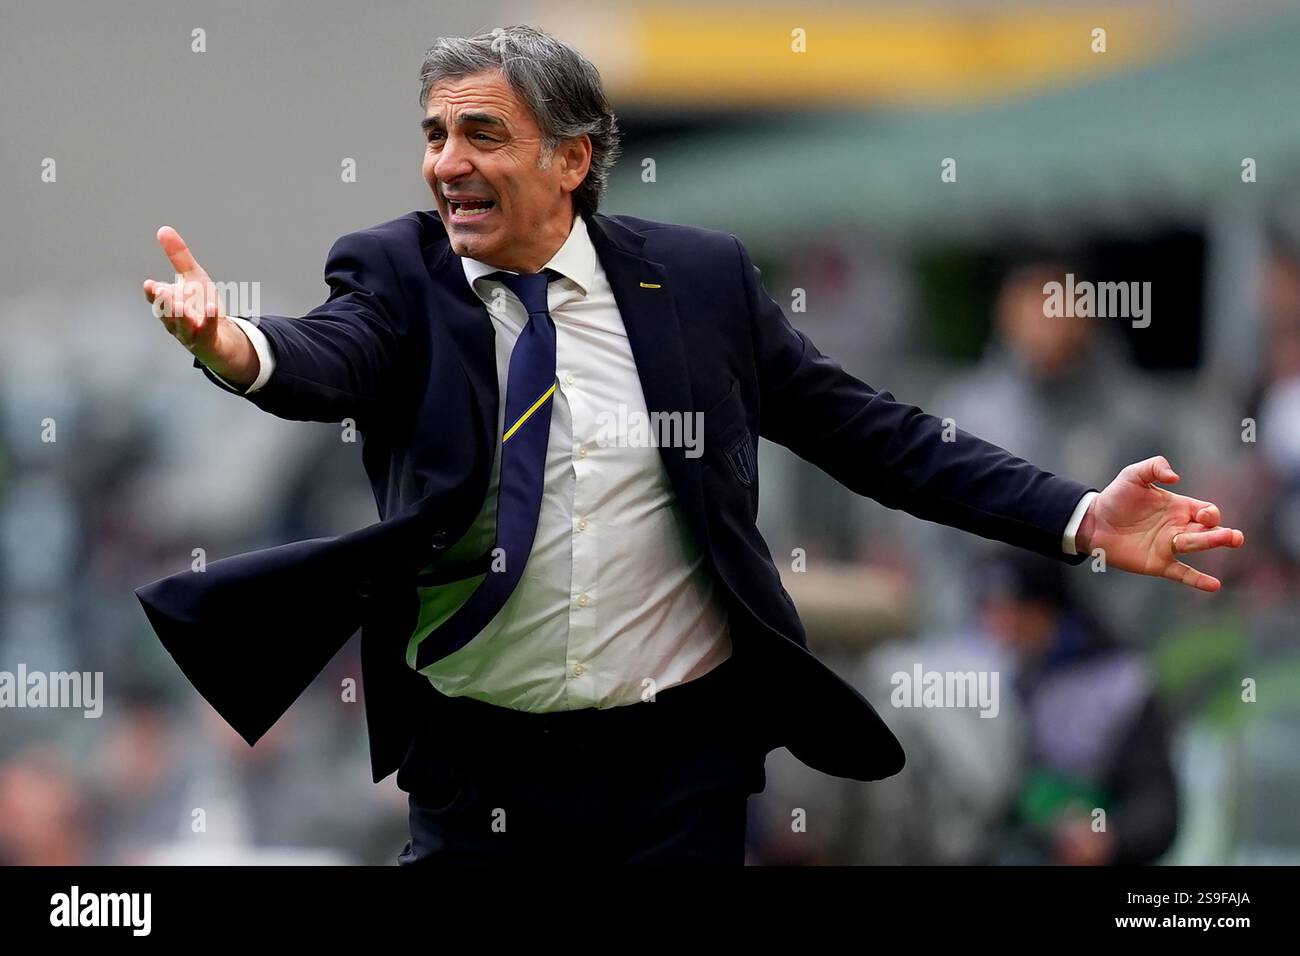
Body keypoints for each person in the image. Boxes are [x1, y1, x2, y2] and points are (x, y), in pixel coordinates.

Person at [134, 25, 1244, 865]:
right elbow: (329, 354)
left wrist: (1075, 516)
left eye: (482, 134)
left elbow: (873, 433)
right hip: (476, 766)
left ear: (571, 158)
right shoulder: (395, 275)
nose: (446, 162)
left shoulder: (699, 283)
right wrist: (237, 346)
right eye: (435, 135)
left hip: (677, 770)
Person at [973, 548, 1179, 865]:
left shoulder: (1122, 684)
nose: (1002, 630)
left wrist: (1110, 838)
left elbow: (1157, 808)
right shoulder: (1005, 675)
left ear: (1047, 610)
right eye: (992, 613)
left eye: (1014, 613)